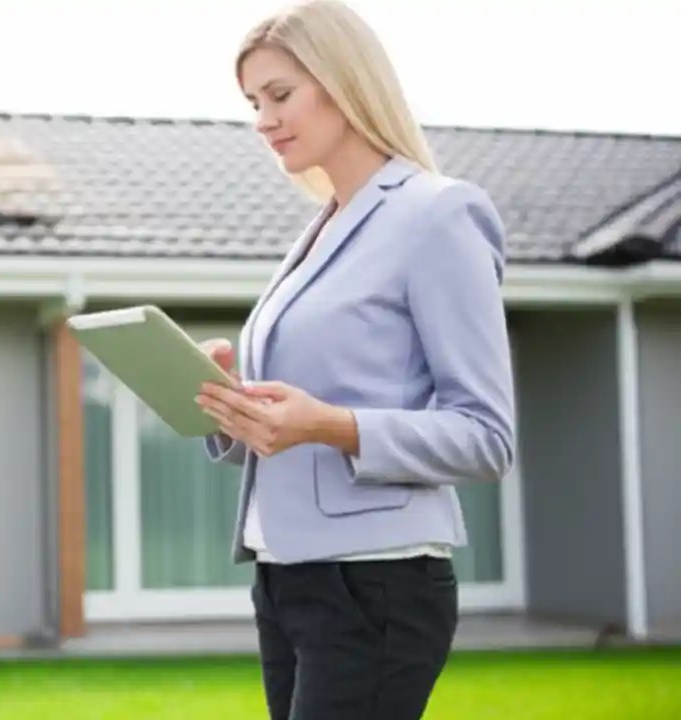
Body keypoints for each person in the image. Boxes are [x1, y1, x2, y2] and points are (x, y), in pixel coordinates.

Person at [192, 1, 516, 718]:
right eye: (253, 103)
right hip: (286, 579)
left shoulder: (438, 216)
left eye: (280, 95)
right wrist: (230, 401)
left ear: (344, 81)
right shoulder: (318, 229)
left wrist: (329, 425)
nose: (263, 120)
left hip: (377, 584)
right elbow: (299, 414)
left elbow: (486, 438)